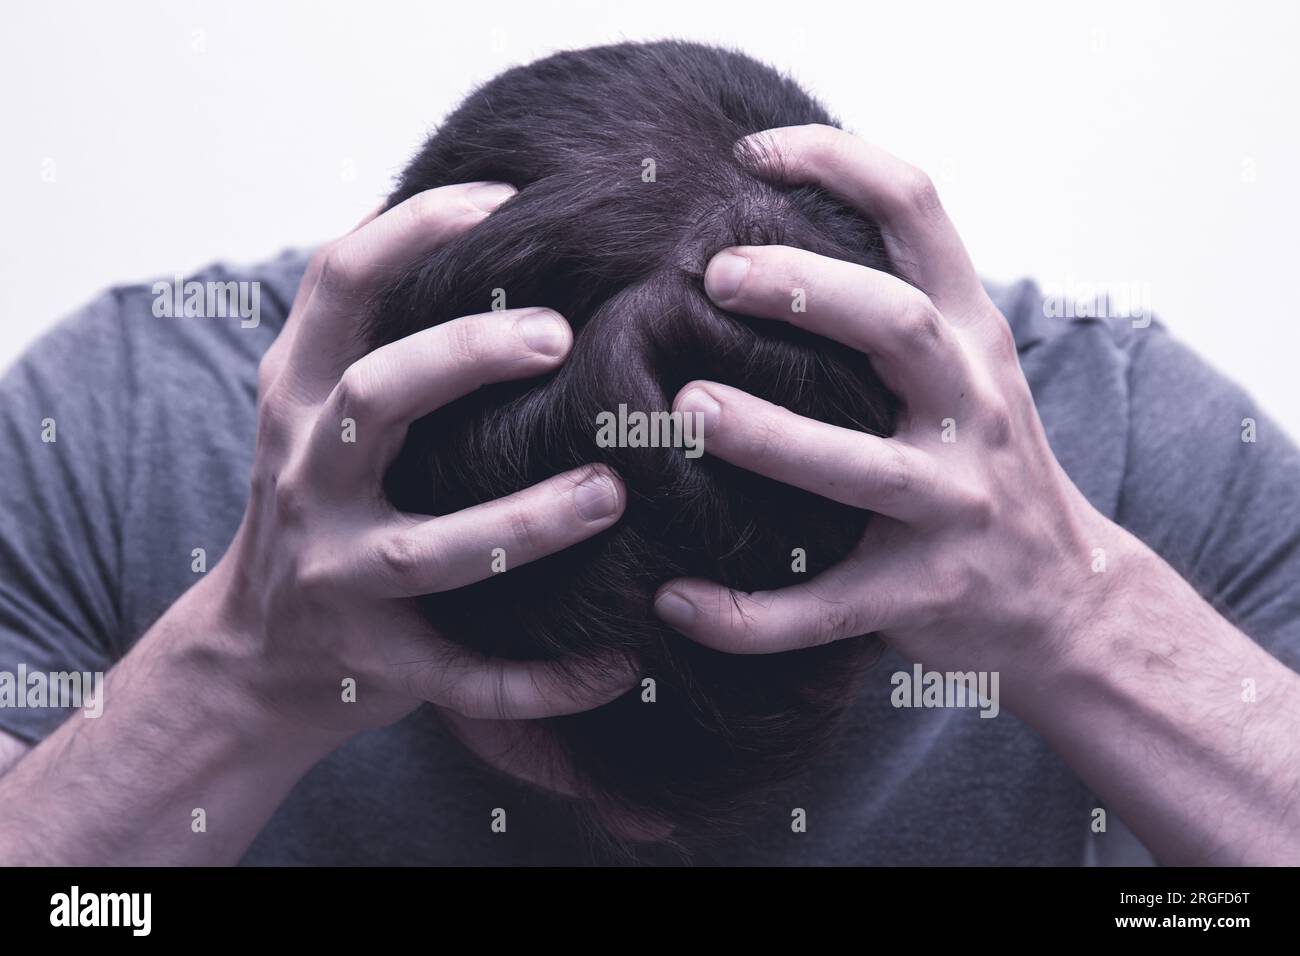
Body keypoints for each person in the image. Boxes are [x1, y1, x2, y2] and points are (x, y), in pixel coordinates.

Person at [0, 41, 1297, 865]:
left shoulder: (1128, 454)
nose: (638, 834)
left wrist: (1080, 616)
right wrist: (241, 667)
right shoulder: (121, 430)